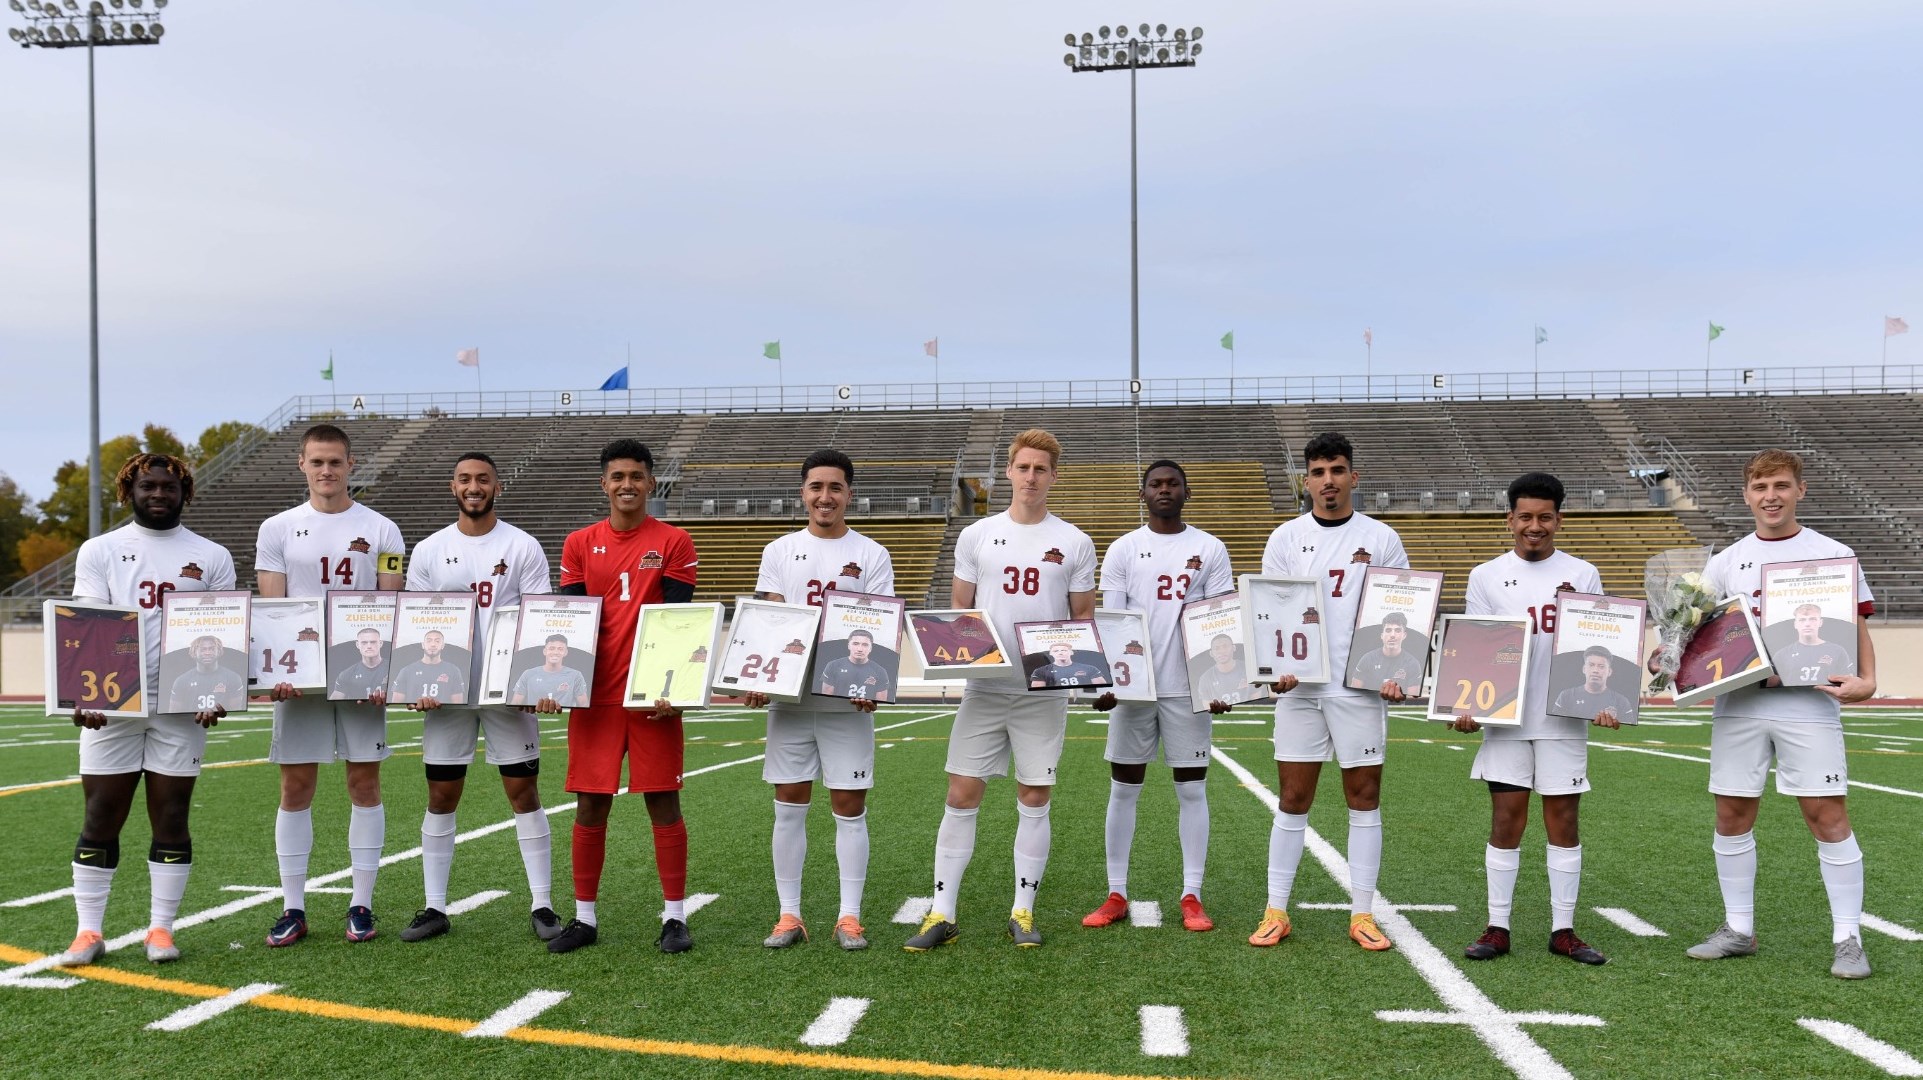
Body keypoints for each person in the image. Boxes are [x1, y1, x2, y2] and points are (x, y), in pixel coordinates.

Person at [1683, 449, 1877, 979]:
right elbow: (1700, 632)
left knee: (1827, 816)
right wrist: (1671, 657)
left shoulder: (1833, 553)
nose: (1771, 496)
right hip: (1740, 702)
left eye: (1782, 486)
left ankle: (1848, 939)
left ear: (1800, 490)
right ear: (1747, 495)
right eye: (1761, 486)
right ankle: (1738, 929)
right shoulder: (1724, 562)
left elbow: (1856, 624)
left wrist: (1869, 679)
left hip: (1807, 701)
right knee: (1732, 814)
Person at [904, 429, 1096, 951]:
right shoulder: (977, 535)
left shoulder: (1075, 541)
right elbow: (960, 612)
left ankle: (1024, 909)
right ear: (1008, 472)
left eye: (1041, 469)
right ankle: (942, 911)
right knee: (960, 794)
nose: (1031, 476)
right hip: (986, 687)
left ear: (1054, 476)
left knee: (1034, 797)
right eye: (1023, 467)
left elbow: (1082, 619)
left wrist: (1073, 669)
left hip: (1043, 691)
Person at [56, 453, 236, 966]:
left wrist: (217, 691)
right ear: (128, 491)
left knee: (172, 816)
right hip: (115, 703)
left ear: (185, 493)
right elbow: (89, 623)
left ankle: (160, 928)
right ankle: (88, 931)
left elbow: (221, 630)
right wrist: (83, 695)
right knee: (100, 815)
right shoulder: (101, 549)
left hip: (181, 704)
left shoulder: (212, 555)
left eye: (169, 487)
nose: (158, 494)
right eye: (148, 486)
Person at [1255, 432, 1411, 952]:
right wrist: (1274, 669)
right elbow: (1272, 613)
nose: (1328, 481)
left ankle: (1362, 912)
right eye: (1319, 472)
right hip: (1300, 688)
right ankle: (1277, 908)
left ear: (1353, 477)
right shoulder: (1285, 538)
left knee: (1363, 798)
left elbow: (1402, 612)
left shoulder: (1382, 538)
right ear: (1306, 479)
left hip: (1358, 686)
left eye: (1337, 471)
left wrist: (1397, 673)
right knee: (1293, 797)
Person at [398, 451, 560, 945]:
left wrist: (541, 684)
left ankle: (543, 904)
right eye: (466, 479)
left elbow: (540, 617)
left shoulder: (522, 545)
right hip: (448, 693)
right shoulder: (429, 549)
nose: (474, 487)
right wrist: (417, 686)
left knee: (523, 793)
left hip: (507, 692)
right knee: (442, 795)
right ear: (453, 487)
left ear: (497, 487)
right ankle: (434, 906)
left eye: (483, 480)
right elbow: (418, 622)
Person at [1452, 472, 1614, 966]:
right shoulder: (1485, 576)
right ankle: (1497, 925)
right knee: (1506, 820)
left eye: (1545, 517)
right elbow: (1477, 647)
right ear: (1510, 520)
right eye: (1525, 517)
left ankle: (1563, 929)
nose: (1535, 526)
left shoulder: (1583, 574)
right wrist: (1467, 706)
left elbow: (1598, 641)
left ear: (1559, 520)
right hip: (1506, 719)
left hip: (1563, 716)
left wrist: (1607, 699)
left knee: (1563, 819)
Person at [546, 439, 700, 955]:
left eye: (636, 475)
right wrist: (551, 685)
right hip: (595, 696)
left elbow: (679, 624)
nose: (627, 484)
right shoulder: (578, 543)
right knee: (590, 805)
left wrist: (674, 690)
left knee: (663, 801)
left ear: (651, 482)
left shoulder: (675, 541)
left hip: (650, 697)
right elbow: (567, 626)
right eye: (618, 476)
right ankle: (584, 917)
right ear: (604, 483)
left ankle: (674, 916)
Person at [256, 423, 406, 947]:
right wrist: (276, 672)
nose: (326, 471)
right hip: (302, 679)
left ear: (351, 464)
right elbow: (274, 608)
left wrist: (384, 669)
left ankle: (361, 903)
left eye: (335, 462)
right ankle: (292, 907)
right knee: (295, 788)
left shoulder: (383, 529)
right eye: (317, 462)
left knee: (364, 784)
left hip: (360, 672)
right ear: (302, 464)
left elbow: (390, 604)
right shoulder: (276, 528)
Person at [743, 449, 896, 951]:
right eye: (815, 487)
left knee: (849, 807)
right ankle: (789, 916)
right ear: (803, 493)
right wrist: (757, 674)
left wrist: (876, 682)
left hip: (845, 703)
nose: (824, 496)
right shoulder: (779, 551)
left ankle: (848, 917)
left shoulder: (871, 553)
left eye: (835, 487)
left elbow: (877, 625)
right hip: (790, 699)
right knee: (788, 806)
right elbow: (768, 620)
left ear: (850, 493)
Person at [1083, 459, 1233, 934]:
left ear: (1187, 491)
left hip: (1189, 689)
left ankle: (1192, 893)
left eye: (1173, 484)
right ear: (1142, 492)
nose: (1164, 490)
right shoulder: (1125, 548)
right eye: (1156, 484)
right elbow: (1113, 622)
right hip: (1135, 691)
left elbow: (1219, 619)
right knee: (1123, 788)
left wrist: (1221, 684)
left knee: (1191, 789)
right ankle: (1116, 892)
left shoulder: (1209, 547)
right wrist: (1109, 684)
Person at [1771, 603, 1853, 686]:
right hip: (1792, 698)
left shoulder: (1837, 651)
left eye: (1812, 619)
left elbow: (1848, 684)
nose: (1807, 624)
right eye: (1802, 620)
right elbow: (1770, 687)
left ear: (1820, 622)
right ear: (1795, 624)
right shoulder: (1782, 654)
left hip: (1826, 698)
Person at [165, 635, 245, 715]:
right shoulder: (181, 680)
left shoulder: (233, 677)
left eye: (212, 649)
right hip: (191, 723)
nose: (207, 653)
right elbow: (173, 714)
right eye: (203, 649)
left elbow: (236, 712)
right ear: (194, 652)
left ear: (219, 651)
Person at [1551, 647, 1635, 721]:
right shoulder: (1566, 696)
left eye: (1601, 666)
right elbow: (1556, 725)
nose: (1595, 670)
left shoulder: (1621, 701)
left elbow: (1627, 732)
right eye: (1591, 665)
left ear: (1609, 671)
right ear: (1584, 669)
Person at [509, 634, 591, 708]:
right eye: (551, 648)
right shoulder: (528, 674)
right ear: (545, 651)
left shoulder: (575, 675)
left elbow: (584, 704)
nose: (555, 652)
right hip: (534, 718)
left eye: (560, 649)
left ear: (565, 652)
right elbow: (515, 702)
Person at [1348, 613, 1423, 691]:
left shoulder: (1412, 663)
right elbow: (1354, 692)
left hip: (1397, 703)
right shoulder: (1367, 659)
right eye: (1388, 630)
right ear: (1382, 635)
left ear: (1404, 635)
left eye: (1397, 630)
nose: (1392, 635)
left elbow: (1412, 698)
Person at [392, 630, 467, 705]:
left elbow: (457, 704)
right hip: (414, 715)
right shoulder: (407, 670)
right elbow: (395, 705)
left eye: (437, 641)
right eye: (429, 641)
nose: (433, 644)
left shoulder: (453, 670)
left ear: (443, 645)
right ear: (423, 645)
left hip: (442, 715)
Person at [817, 629, 892, 702]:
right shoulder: (833, 666)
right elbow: (826, 700)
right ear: (848, 646)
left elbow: (880, 704)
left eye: (865, 645)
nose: (860, 649)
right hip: (837, 711)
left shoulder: (880, 671)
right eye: (855, 644)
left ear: (871, 648)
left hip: (864, 712)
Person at [328, 628, 390, 701]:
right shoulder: (347, 674)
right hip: (357, 710)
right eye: (364, 643)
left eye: (373, 642)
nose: (369, 646)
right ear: (357, 645)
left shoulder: (393, 669)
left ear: (380, 643)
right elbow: (334, 701)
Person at [1190, 634, 1249, 705]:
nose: (1221, 651)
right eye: (1217, 648)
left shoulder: (1247, 668)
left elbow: (1257, 702)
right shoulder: (1205, 678)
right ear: (1211, 653)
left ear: (1234, 648)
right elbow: (1208, 709)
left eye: (1225, 646)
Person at [1029, 640, 1107, 688]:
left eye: (1064, 650)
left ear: (1071, 652)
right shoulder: (1040, 671)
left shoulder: (1090, 668)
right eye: (1056, 651)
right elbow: (1038, 691)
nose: (1060, 653)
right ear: (1050, 653)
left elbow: (1102, 687)